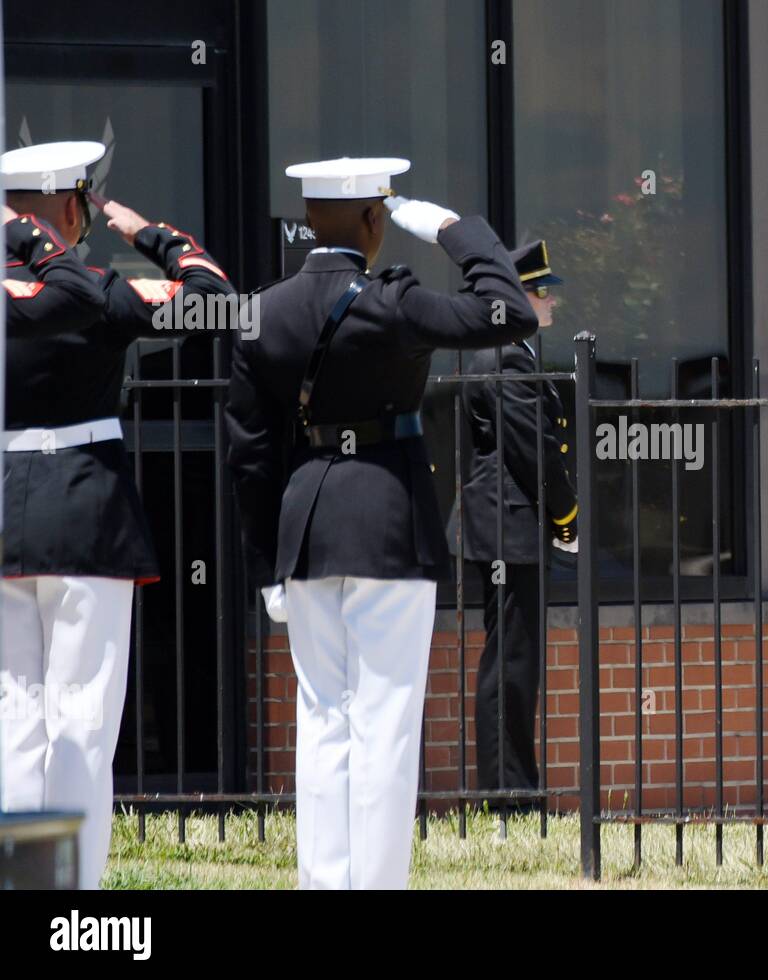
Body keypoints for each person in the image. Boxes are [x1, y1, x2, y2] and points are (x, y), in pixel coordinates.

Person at [226, 157, 537, 888]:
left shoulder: (260, 311)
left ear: (310, 219)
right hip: (388, 522)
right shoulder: (393, 303)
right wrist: (457, 233)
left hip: (304, 530)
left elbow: (250, 454)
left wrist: (265, 560)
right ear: (376, 220)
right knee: (384, 722)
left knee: (322, 720)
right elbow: (511, 310)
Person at [0, 140, 233, 889]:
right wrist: (151, 235)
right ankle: (67, 897)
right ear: (71, 208)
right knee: (82, 726)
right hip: (86, 517)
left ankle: (23, 887)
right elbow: (213, 296)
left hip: (7, 517)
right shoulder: (98, 291)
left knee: (14, 724)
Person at [453, 240, 577, 812]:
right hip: (509, 526)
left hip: (508, 525)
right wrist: (566, 514)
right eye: (540, 290)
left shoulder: (508, 352)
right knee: (510, 665)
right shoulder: (505, 356)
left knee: (513, 662)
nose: (550, 301)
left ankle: (514, 788)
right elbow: (534, 450)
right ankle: (508, 795)